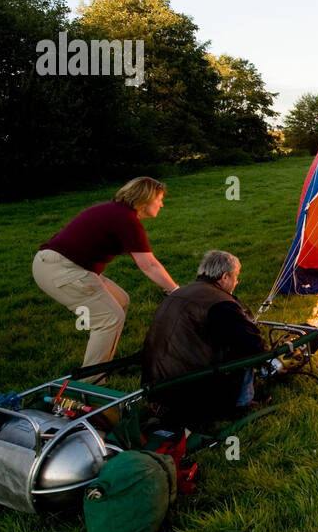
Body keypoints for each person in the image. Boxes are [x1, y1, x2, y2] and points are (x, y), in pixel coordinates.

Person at [33, 177, 179, 379]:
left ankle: (103, 366)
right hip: (61, 269)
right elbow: (149, 265)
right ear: (146, 199)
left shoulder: (118, 213)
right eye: (159, 199)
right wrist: (177, 291)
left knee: (121, 301)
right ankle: (90, 383)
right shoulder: (125, 219)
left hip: (58, 265)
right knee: (109, 318)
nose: (162, 204)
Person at [141, 250, 269, 428]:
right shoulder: (220, 303)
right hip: (190, 391)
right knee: (243, 349)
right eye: (236, 277)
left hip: (155, 383)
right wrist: (270, 358)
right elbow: (250, 343)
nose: (237, 282)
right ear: (225, 277)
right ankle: (241, 404)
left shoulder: (180, 292)